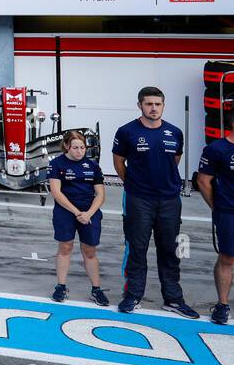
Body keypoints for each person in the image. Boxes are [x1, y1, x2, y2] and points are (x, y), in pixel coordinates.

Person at [112, 87, 197, 317]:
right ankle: (132, 295)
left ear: (163, 106)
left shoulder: (175, 132)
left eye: (158, 104)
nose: (153, 108)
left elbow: (174, 160)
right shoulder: (127, 131)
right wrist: (134, 184)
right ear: (139, 105)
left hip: (169, 200)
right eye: (148, 104)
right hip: (139, 199)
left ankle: (173, 299)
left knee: (170, 249)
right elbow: (119, 162)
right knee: (137, 248)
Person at [48, 130, 110, 305]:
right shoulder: (56, 164)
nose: (79, 151)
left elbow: (100, 194)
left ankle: (96, 289)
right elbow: (56, 192)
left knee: (90, 251)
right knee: (65, 247)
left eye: (82, 147)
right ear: (67, 146)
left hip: (89, 212)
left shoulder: (93, 166)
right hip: (66, 211)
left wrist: (88, 213)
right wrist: (76, 212)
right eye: (75, 147)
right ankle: (61, 286)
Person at [197, 111, 234, 325]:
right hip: (228, 212)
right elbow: (203, 181)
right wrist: (217, 207)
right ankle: (222, 305)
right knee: (227, 258)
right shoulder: (216, 149)